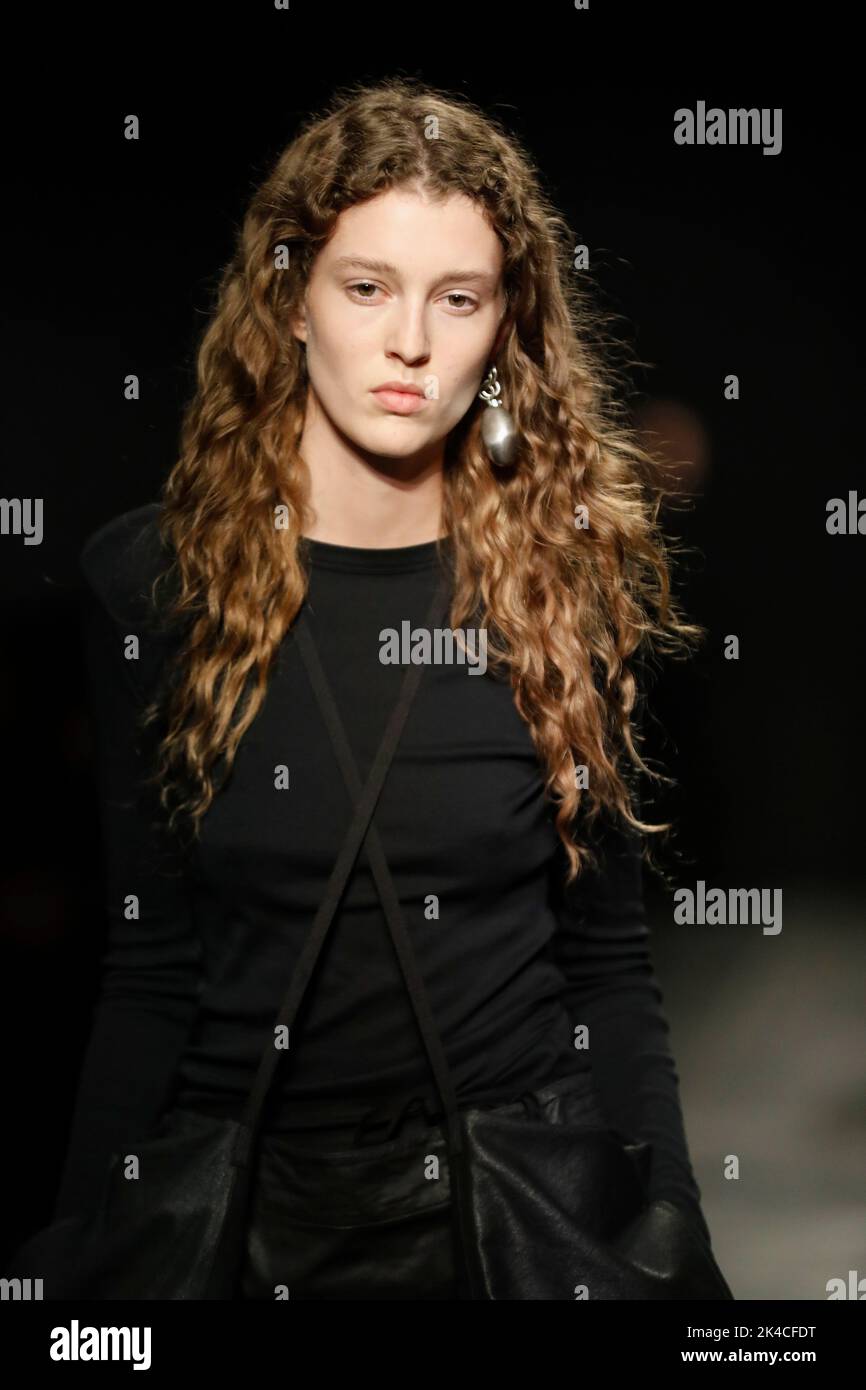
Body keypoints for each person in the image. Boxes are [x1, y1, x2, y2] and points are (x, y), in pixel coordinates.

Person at [53, 76, 720, 1299]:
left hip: (519, 1223)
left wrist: (672, 1235)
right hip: (245, 1223)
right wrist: (73, 1258)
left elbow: (609, 969)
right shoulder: (148, 579)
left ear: (505, 327)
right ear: (291, 297)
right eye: (366, 287)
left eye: (455, 298)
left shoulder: (563, 581)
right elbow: (147, 970)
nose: (409, 342)